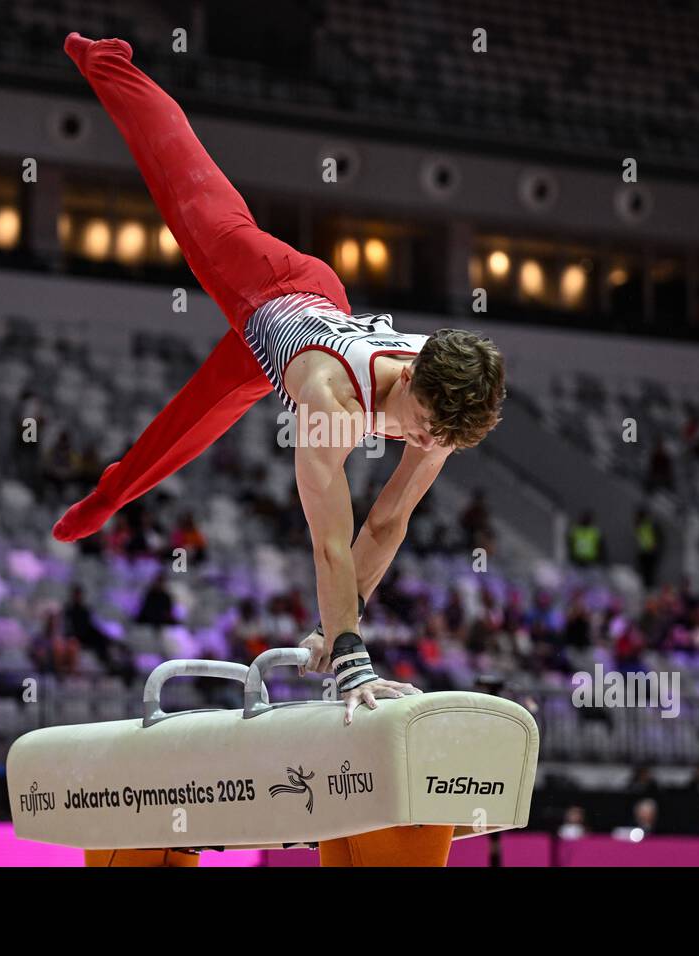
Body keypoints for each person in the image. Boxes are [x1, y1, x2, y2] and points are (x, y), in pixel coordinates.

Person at [60, 33, 506, 868]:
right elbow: (330, 538)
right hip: (267, 287)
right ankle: (108, 62)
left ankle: (107, 495)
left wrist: (335, 629)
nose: (416, 445)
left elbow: (385, 526)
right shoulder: (329, 402)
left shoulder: (439, 408)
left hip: (311, 318)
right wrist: (347, 662)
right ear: (409, 374)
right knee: (186, 185)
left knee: (186, 426)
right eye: (415, 429)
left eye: (431, 442)